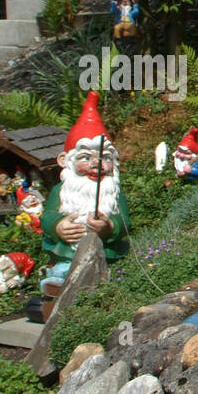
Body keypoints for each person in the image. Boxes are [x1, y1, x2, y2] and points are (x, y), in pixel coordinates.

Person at [39, 92, 130, 295]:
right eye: (86, 158)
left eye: (105, 158)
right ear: (65, 160)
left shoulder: (113, 193)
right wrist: (58, 226)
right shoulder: (60, 191)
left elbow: (125, 222)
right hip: (67, 255)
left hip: (107, 255)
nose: (96, 165)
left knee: (111, 279)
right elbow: (48, 217)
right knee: (62, 274)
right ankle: (59, 282)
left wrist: (109, 226)